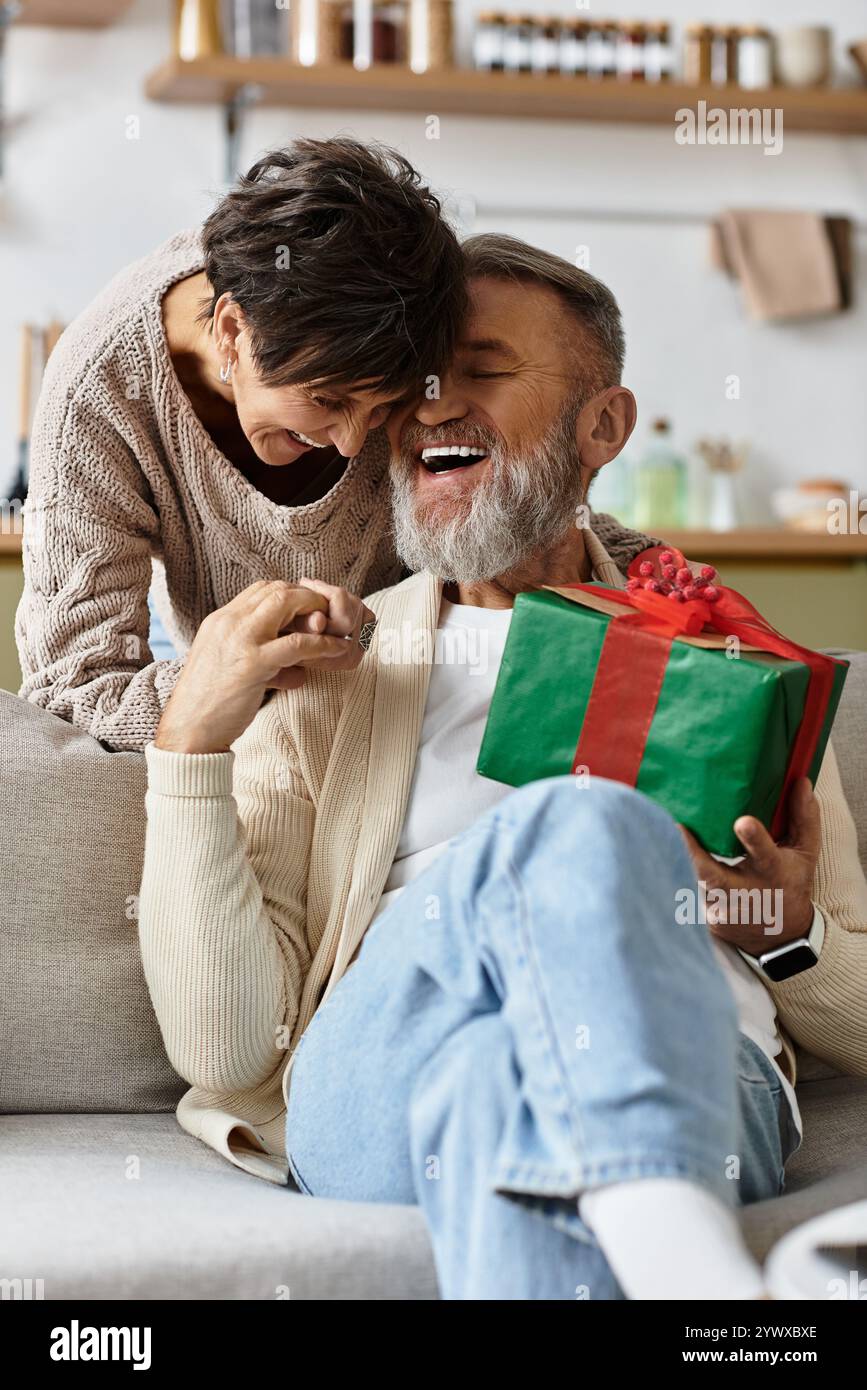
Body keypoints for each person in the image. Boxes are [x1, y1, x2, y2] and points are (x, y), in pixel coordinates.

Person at [138, 235, 867, 1299]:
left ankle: (670, 1248)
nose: (434, 409)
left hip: (709, 1082)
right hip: (380, 1079)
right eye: (414, 383)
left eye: (480, 370)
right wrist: (189, 745)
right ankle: (706, 1290)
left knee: (494, 1087)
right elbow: (227, 1046)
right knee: (583, 820)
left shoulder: (731, 671)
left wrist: (789, 934)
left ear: (603, 426)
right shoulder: (327, 672)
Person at [15, 138, 465, 750]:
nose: (355, 443)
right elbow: (72, 696)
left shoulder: (417, 329)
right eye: (328, 401)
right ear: (232, 332)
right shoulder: (98, 393)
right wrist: (242, 673)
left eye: (383, 408)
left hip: (417, 683)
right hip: (209, 672)